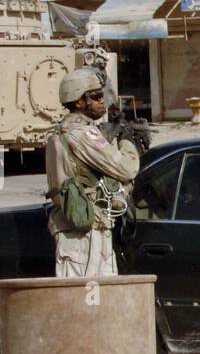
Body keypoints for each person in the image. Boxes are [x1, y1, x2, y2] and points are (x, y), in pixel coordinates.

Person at [44, 68, 139, 277]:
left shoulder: (64, 132)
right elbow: (126, 168)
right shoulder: (82, 134)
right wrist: (128, 142)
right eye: (95, 97)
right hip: (83, 237)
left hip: (91, 229)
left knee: (102, 302)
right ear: (78, 102)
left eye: (101, 95)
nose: (102, 101)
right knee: (81, 302)